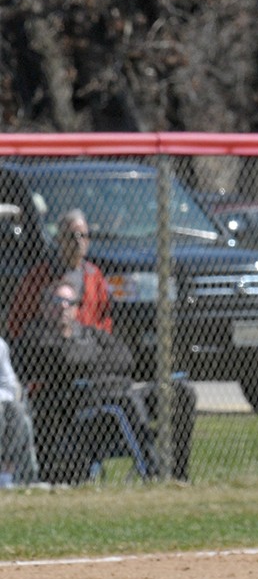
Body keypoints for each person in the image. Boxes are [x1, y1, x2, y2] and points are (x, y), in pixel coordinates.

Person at [14, 282, 195, 483]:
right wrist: (100, 362)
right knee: (125, 402)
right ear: (43, 306)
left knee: (181, 392)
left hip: (119, 396)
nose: (63, 307)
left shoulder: (89, 333)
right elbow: (65, 361)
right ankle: (154, 475)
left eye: (69, 302)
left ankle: (179, 476)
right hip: (82, 411)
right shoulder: (36, 337)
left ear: (76, 308)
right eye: (57, 301)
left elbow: (125, 358)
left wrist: (88, 363)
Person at [7, 208, 113, 339]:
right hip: (49, 346)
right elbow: (17, 318)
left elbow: (105, 317)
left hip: (87, 348)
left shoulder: (94, 275)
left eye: (83, 236)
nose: (78, 241)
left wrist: (99, 340)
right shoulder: (40, 275)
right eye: (72, 236)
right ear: (59, 239)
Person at [0, 336, 39, 487]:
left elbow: (10, 382)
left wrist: (13, 399)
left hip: (4, 399)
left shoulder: (1, 345)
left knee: (19, 414)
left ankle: (16, 476)